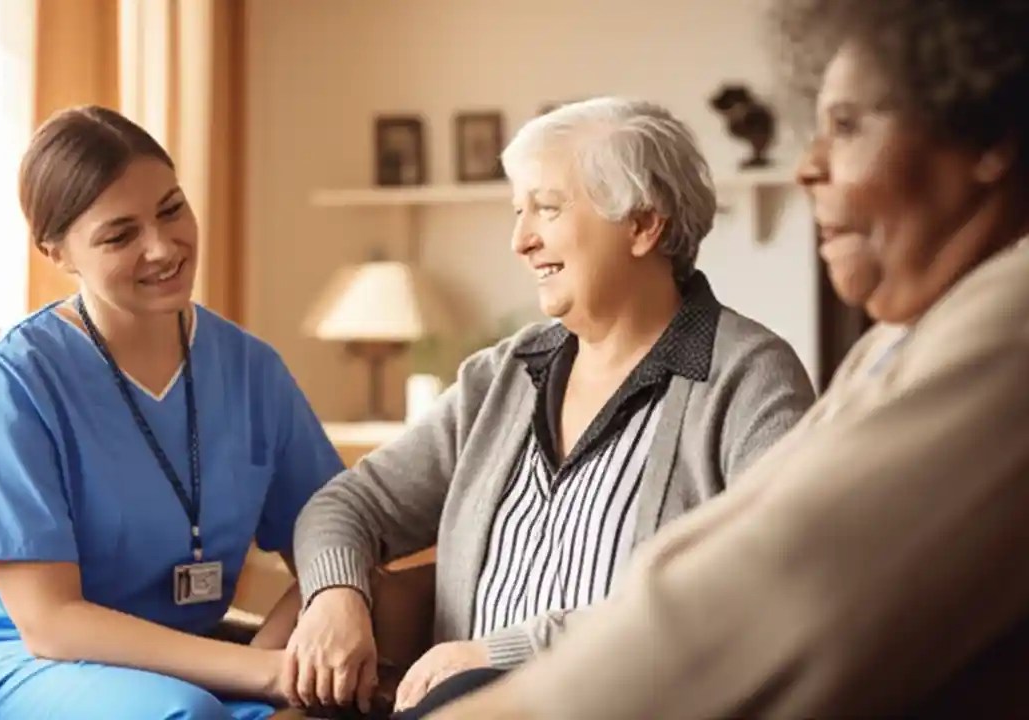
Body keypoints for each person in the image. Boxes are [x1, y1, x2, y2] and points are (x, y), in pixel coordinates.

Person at [423, 0, 1029, 717]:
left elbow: (774, 584)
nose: (809, 166)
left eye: (846, 125)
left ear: (989, 136)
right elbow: (729, 547)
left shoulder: (1008, 324)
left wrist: (500, 688)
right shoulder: (901, 338)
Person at [284, 98, 816, 715]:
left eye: (547, 208)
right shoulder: (503, 377)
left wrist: (501, 653)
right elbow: (347, 505)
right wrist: (335, 595)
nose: (520, 240)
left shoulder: (748, 376)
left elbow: (765, 583)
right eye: (518, 211)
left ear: (644, 225)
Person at [0, 105, 344, 719]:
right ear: (58, 253)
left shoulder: (252, 371)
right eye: (120, 235)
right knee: (187, 715)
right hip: (0, 652)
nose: (162, 247)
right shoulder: (12, 380)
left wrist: (292, 642)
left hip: (170, 665)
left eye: (172, 209)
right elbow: (51, 624)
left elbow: (339, 535)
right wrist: (260, 672)